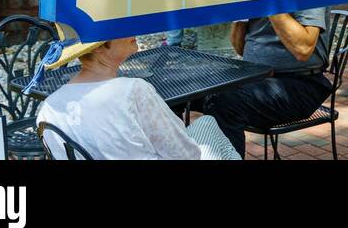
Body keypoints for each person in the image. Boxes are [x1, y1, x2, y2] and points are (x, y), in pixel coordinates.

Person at [32, 27, 239, 160]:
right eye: (122, 26)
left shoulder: (48, 109)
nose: (134, 30)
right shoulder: (132, 91)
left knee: (202, 124)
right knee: (207, 126)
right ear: (100, 47)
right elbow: (186, 154)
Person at [203, 9, 333, 157]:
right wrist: (241, 15)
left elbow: (303, 49)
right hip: (255, 77)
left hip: (301, 83)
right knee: (189, 92)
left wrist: (269, 4)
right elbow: (240, 49)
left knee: (223, 102)